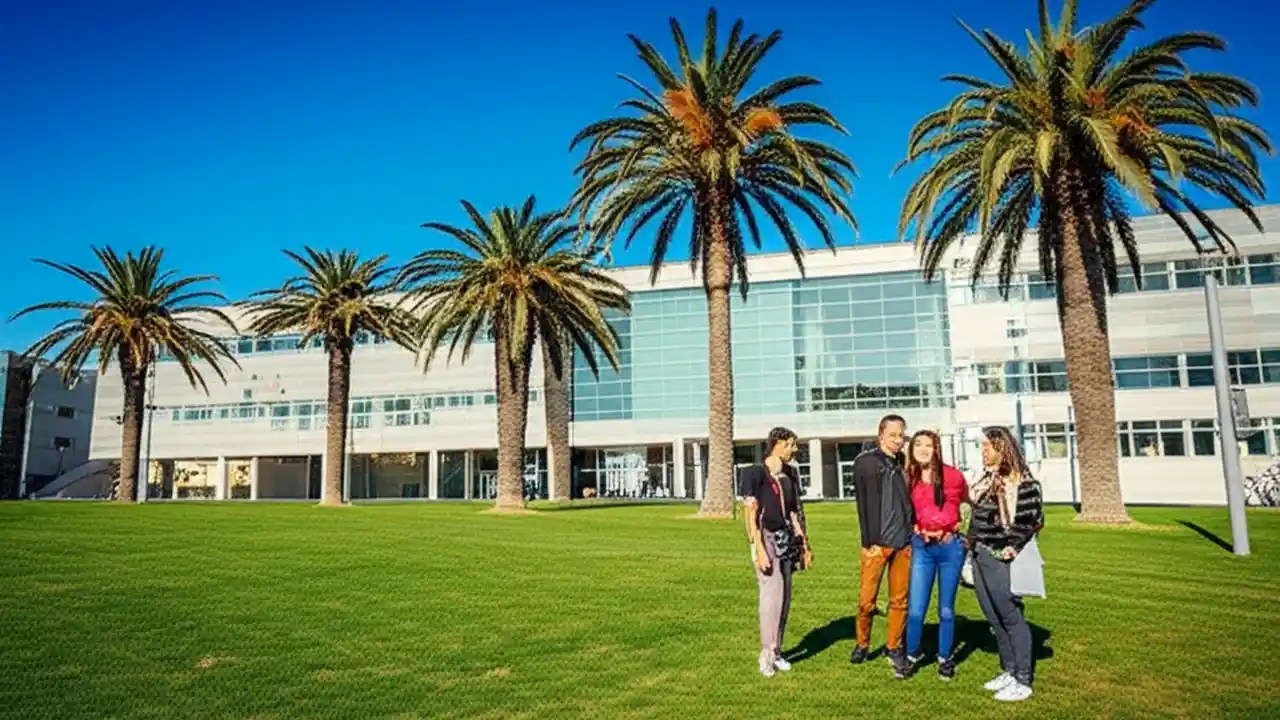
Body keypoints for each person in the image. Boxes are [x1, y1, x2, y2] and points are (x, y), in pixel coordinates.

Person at [967, 426, 1045, 702]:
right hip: (979, 553)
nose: (983, 451)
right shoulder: (986, 479)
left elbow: (1033, 520)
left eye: (988, 446)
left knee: (1009, 615)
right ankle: (1009, 669)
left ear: (1003, 449)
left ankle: (1023, 678)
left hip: (1002, 556)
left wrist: (1013, 545)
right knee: (993, 616)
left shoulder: (1023, 482)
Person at [740, 427, 812, 678]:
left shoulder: (791, 474)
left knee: (785, 597)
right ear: (779, 443)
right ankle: (766, 654)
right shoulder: (754, 473)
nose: (794, 449)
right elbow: (750, 513)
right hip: (766, 540)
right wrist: (758, 548)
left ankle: (777, 650)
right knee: (772, 595)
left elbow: (795, 511)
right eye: (791, 444)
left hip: (786, 540)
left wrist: (804, 545)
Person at [849, 414, 914, 678]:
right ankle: (862, 643)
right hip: (876, 545)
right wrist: (869, 541)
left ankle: (894, 646)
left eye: (901, 435)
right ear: (881, 435)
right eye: (893, 435)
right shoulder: (868, 462)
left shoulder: (901, 465)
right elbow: (864, 504)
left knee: (899, 601)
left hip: (902, 543)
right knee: (867, 601)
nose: (898, 440)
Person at [903, 429, 967, 680]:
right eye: (917, 444)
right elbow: (907, 512)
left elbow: (966, 504)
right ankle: (911, 655)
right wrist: (917, 529)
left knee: (946, 610)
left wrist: (954, 527)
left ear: (937, 448)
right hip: (922, 548)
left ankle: (945, 658)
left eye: (928, 445)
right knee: (917, 609)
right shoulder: (910, 477)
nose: (922, 449)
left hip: (949, 548)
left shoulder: (953, 476)